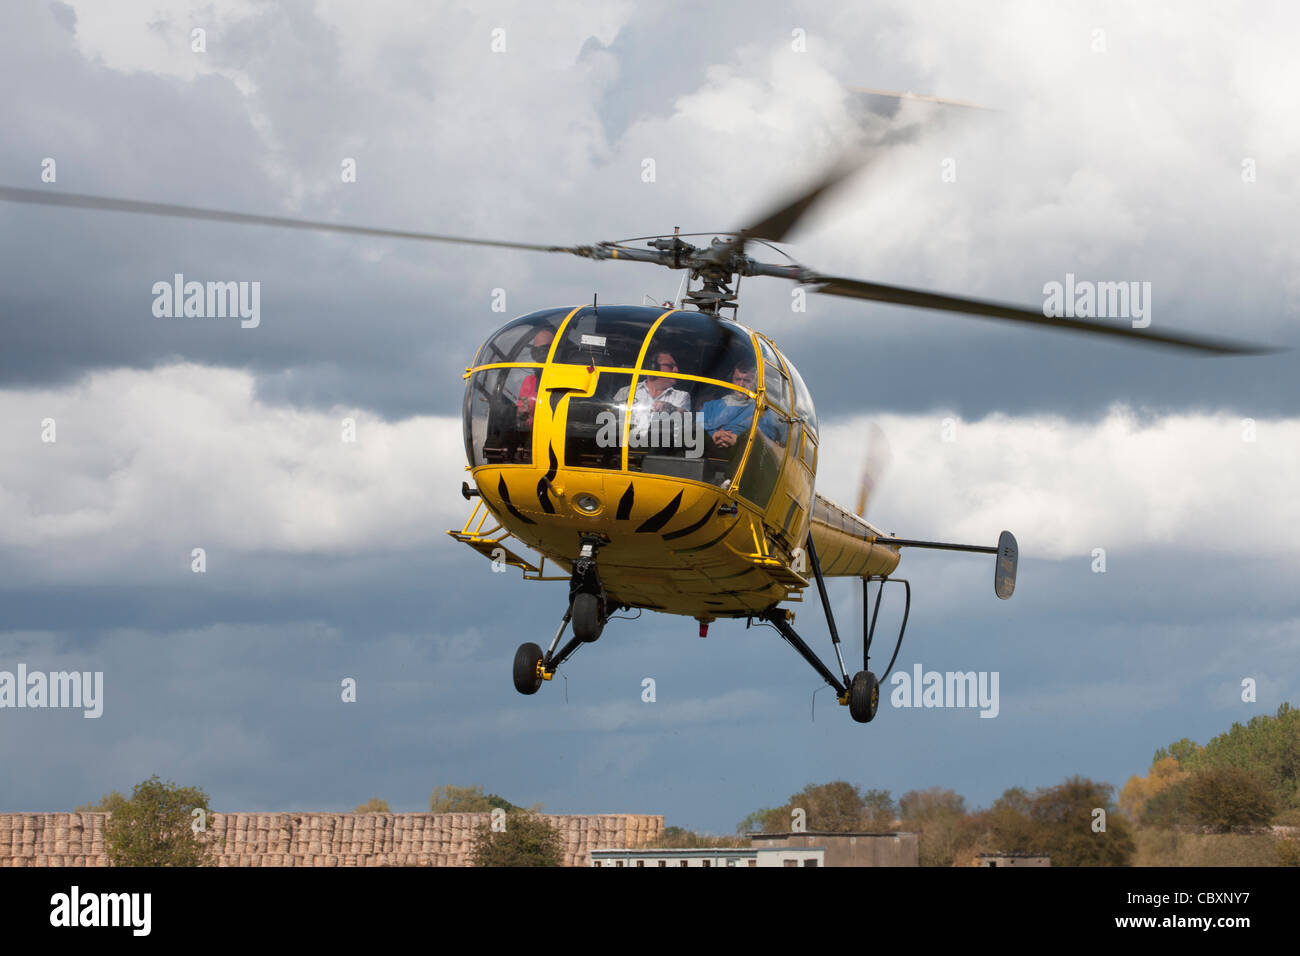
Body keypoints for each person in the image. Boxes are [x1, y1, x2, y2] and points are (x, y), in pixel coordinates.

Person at [698, 361, 782, 452]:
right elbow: (695, 429)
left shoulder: (762, 410)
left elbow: (769, 441)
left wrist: (740, 439)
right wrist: (714, 434)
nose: (741, 385)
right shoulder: (709, 406)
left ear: (754, 383)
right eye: (737, 379)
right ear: (732, 380)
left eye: (746, 380)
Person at [613, 350, 692, 446]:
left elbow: (685, 418)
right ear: (653, 368)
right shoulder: (627, 392)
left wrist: (671, 408)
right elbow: (612, 419)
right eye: (670, 366)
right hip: (624, 445)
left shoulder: (682, 396)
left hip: (659, 448)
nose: (676, 370)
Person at [516, 326, 554, 427]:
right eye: (535, 351)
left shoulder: (565, 377)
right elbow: (522, 410)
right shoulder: (529, 381)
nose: (540, 355)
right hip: (532, 432)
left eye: (544, 350)